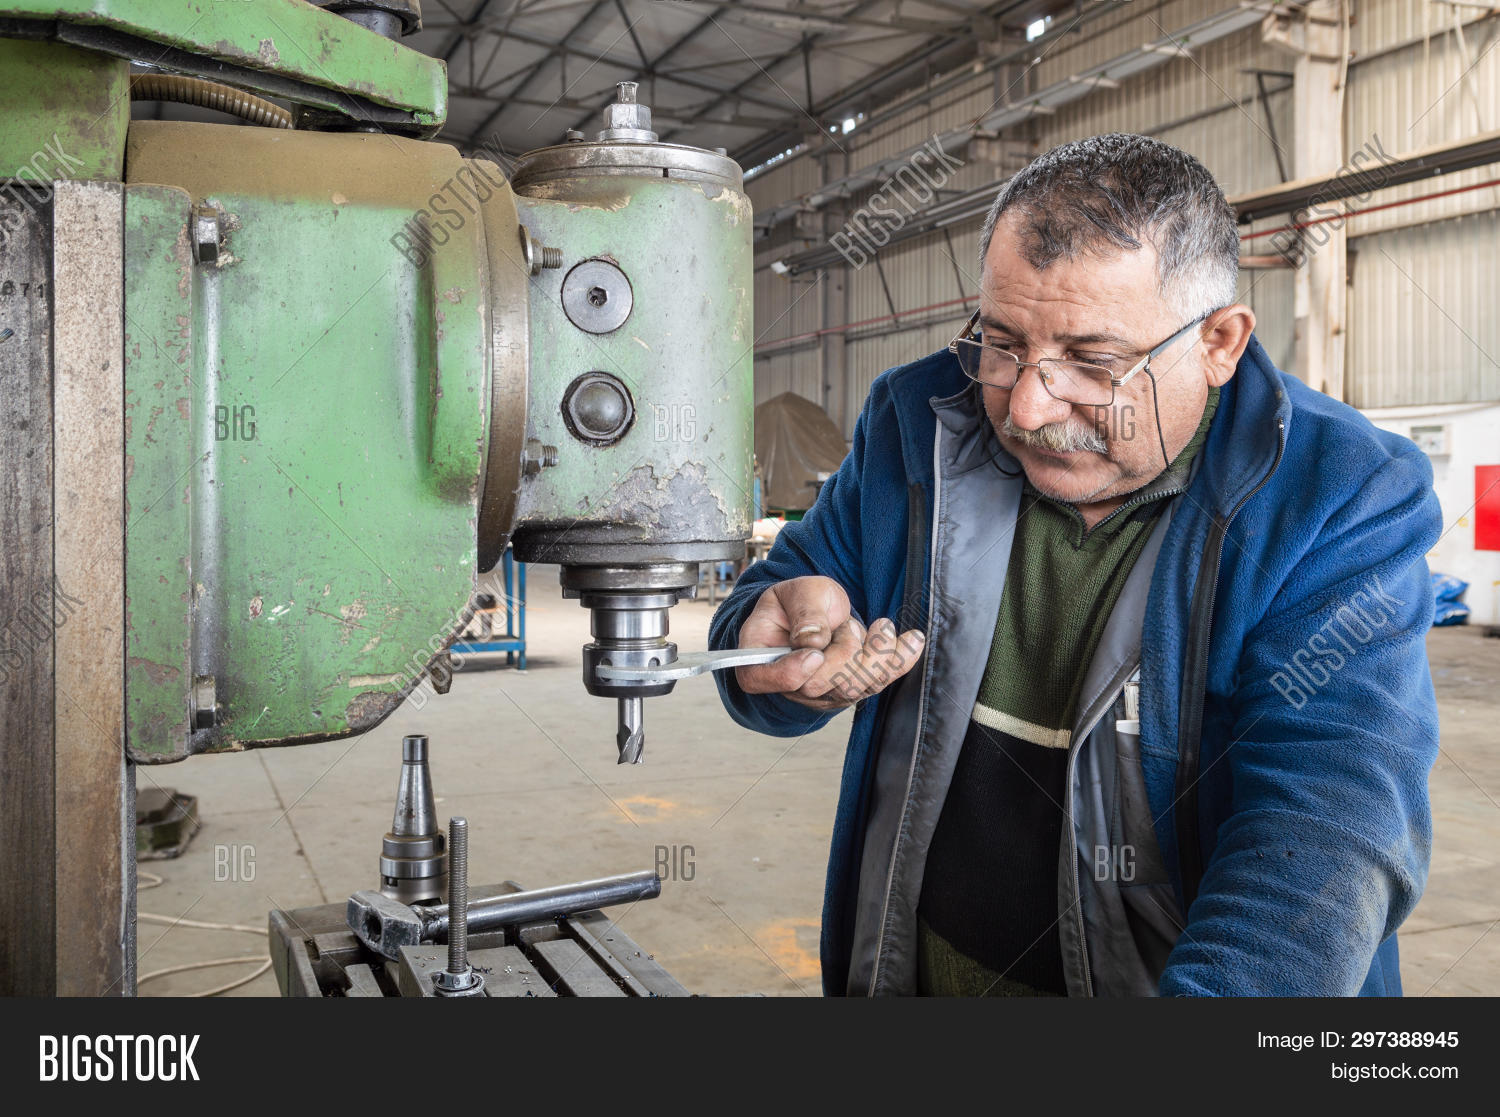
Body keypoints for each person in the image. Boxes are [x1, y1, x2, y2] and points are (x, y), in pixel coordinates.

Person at [709, 133, 1442, 996]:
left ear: (1219, 341)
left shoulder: (1340, 495)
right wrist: (775, 651)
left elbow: (1328, 829)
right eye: (1002, 341)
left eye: (1092, 363)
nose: (1024, 404)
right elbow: (770, 606)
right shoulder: (917, 422)